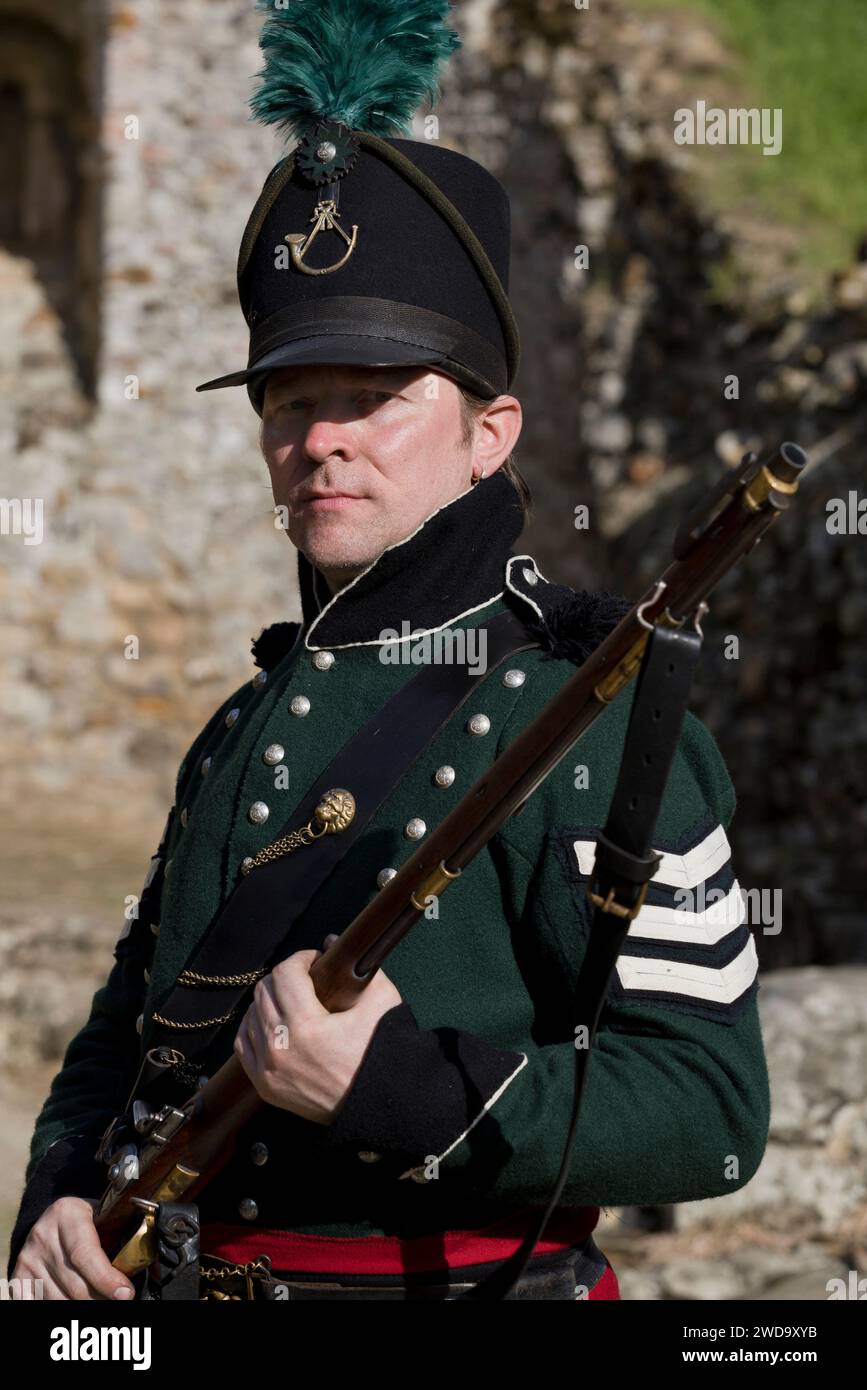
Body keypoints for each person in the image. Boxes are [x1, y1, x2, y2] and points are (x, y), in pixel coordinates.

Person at [7, 1, 771, 1301]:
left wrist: (404, 1089)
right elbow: (132, 1032)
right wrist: (60, 1197)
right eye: (295, 401)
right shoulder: (239, 731)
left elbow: (710, 1104)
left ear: (493, 432)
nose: (324, 437)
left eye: (377, 394)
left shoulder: (586, 721)